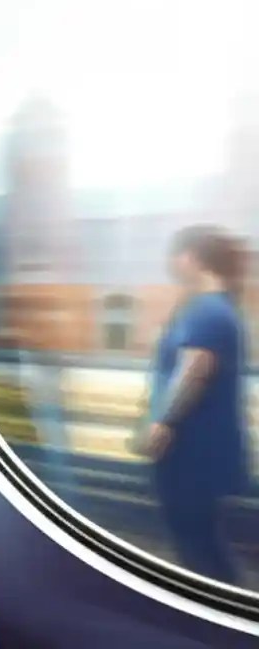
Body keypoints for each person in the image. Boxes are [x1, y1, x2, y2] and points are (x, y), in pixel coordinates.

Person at [141, 224, 251, 584]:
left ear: (192, 259)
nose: (171, 263)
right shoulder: (216, 308)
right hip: (200, 452)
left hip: (192, 454)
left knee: (199, 549)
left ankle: (223, 612)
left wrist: (163, 423)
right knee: (202, 545)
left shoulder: (207, 310)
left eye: (176, 255)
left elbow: (194, 370)